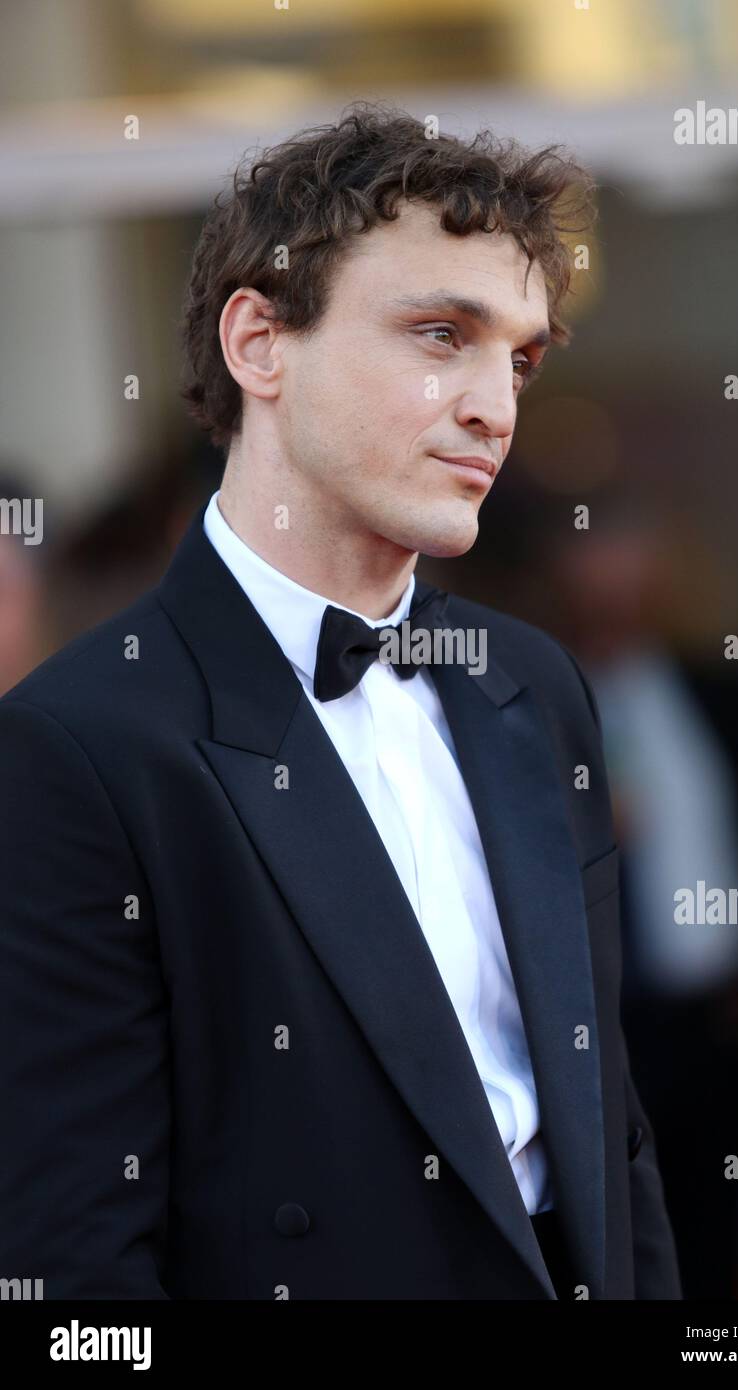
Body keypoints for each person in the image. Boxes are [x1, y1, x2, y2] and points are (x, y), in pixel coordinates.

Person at [0, 103, 680, 1301]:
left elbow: (607, 1134)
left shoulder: (532, 684)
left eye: (516, 356)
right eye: (438, 335)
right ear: (259, 343)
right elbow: (73, 1266)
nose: (495, 407)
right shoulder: (78, 743)